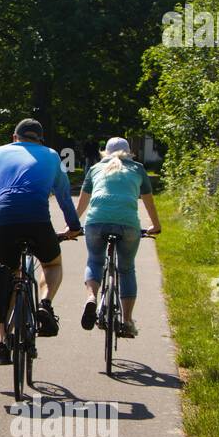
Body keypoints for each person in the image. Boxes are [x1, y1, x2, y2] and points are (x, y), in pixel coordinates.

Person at [0, 118, 82, 364]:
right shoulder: (52, 155)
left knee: (9, 278)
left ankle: (3, 345)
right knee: (52, 264)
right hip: (38, 222)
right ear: (40, 140)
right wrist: (73, 227)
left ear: (15, 137)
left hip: (5, 222)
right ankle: (45, 304)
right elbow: (64, 195)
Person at [74, 137, 162, 338]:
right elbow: (149, 201)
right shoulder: (138, 169)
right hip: (128, 224)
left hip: (97, 222)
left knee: (95, 260)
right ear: (130, 153)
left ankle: (91, 298)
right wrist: (155, 226)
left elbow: (82, 203)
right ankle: (126, 321)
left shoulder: (95, 169)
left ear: (105, 153)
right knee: (126, 269)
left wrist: (71, 226)